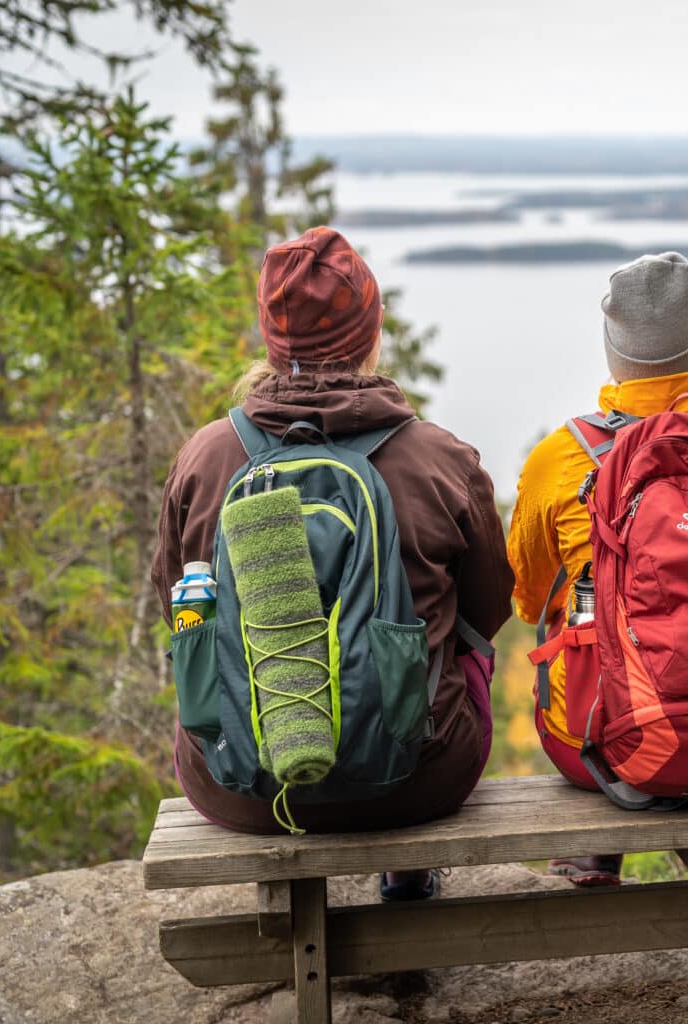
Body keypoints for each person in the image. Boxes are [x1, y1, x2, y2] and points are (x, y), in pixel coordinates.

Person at [152, 226, 512, 899]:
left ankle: (282, 849)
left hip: (238, 788)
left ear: (269, 336)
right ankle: (407, 873)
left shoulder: (204, 458)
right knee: (466, 655)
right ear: (370, 334)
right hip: (416, 782)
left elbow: (176, 614)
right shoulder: (439, 460)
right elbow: (490, 611)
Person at [509, 251, 688, 886]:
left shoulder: (562, 459)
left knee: (575, 652)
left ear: (616, 351)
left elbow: (527, 600)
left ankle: (592, 860)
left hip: (596, 743)